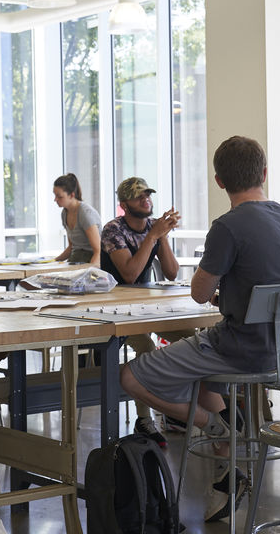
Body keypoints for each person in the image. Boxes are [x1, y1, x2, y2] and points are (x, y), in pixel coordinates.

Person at [119, 136, 280, 522]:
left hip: (234, 349)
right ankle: (225, 477)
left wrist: (222, 290)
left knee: (128, 376)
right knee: (208, 384)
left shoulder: (227, 227)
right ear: (264, 173)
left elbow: (198, 294)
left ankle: (217, 426)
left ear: (218, 181)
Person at [99, 176, 183, 447]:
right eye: (138, 197)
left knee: (189, 338)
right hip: (113, 310)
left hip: (146, 307)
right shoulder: (113, 230)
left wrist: (162, 238)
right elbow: (131, 274)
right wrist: (153, 236)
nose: (146, 200)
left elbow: (171, 273)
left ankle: (178, 409)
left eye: (147, 195)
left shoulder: (152, 228)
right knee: (146, 346)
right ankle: (145, 418)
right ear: (124, 204)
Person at [53, 174, 102, 265]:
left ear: (71, 195)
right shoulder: (64, 213)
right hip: (76, 260)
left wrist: (90, 273)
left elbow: (98, 251)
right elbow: (71, 247)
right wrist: (52, 262)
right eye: (55, 195)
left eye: (59, 197)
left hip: (92, 260)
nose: (55, 199)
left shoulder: (85, 213)